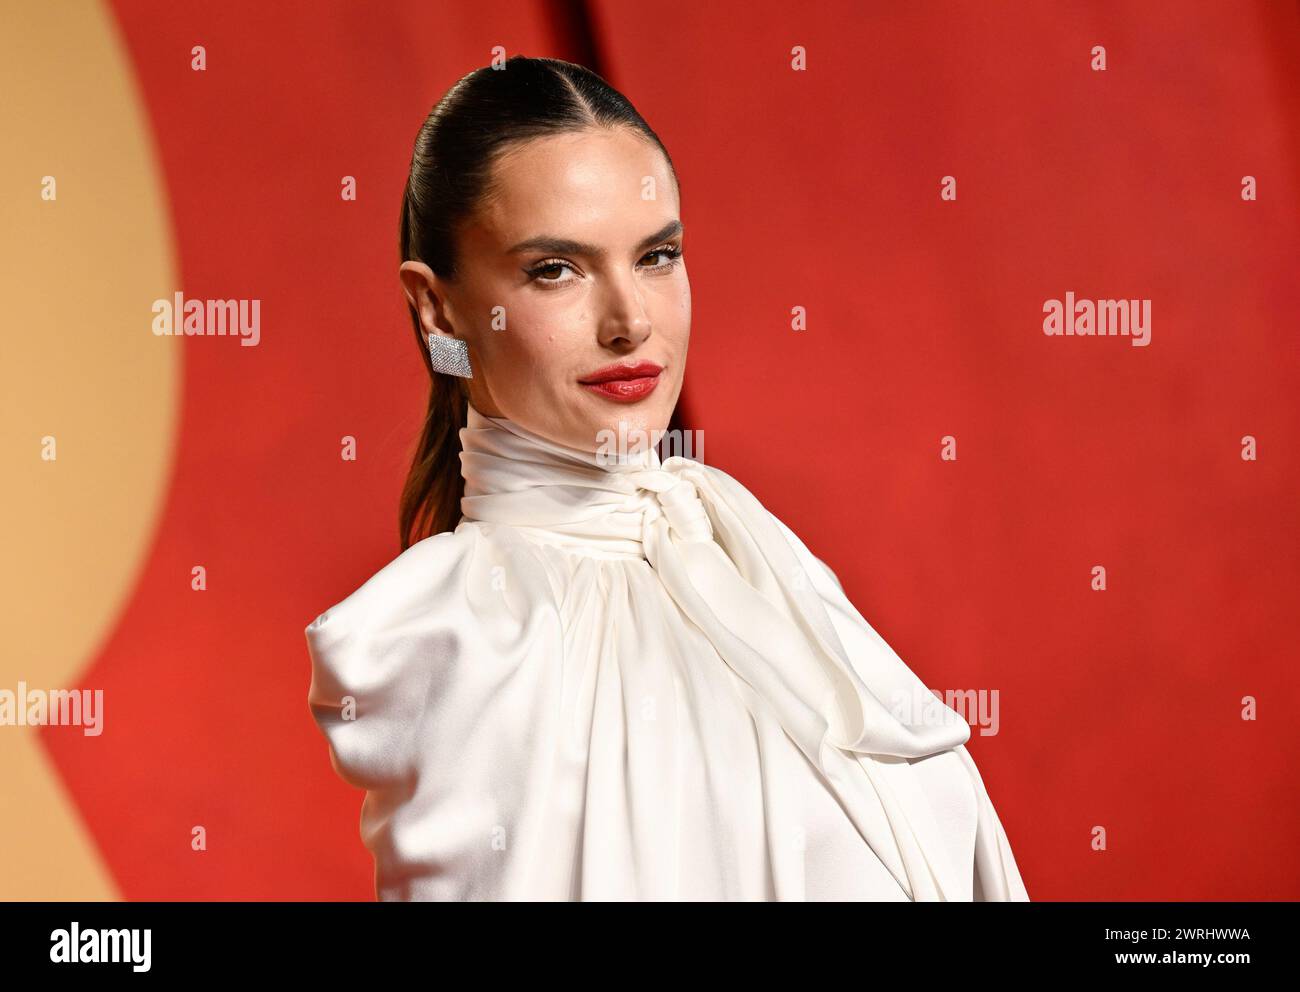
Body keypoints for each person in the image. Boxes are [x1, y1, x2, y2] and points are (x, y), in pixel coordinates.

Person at [305, 54, 1029, 902]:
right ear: (437, 310)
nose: (631, 321)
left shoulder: (752, 554)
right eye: (555, 269)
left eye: (656, 256)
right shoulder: (459, 640)